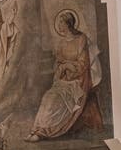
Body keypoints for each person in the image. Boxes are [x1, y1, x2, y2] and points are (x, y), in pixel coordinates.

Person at [25, 10, 103, 141]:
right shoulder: (61, 42)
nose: (60, 26)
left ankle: (43, 132)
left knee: (54, 100)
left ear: (69, 24)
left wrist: (69, 67)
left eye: (62, 23)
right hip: (63, 79)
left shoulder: (81, 39)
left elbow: (84, 63)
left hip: (78, 80)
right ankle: (36, 129)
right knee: (47, 97)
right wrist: (61, 68)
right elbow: (58, 62)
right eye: (59, 23)